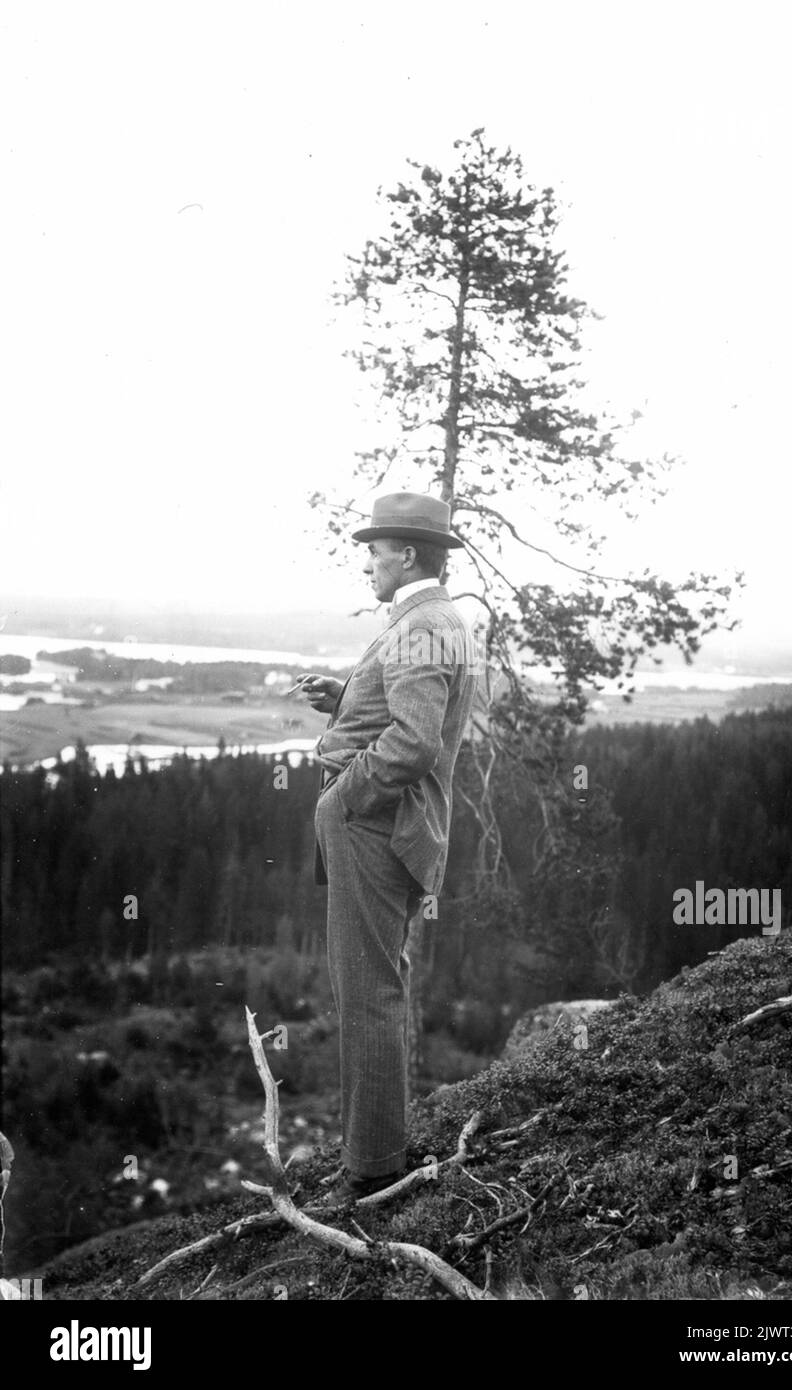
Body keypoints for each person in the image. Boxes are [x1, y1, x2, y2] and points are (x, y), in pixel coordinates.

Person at [298, 492, 478, 1204]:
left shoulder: (421, 624)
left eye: (374, 550)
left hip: (376, 823)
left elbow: (413, 741)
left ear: (407, 554)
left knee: (366, 993)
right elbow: (407, 709)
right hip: (389, 823)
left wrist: (343, 797)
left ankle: (372, 1170)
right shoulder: (436, 620)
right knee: (374, 986)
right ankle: (377, 1151)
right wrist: (346, 697)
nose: (367, 563)